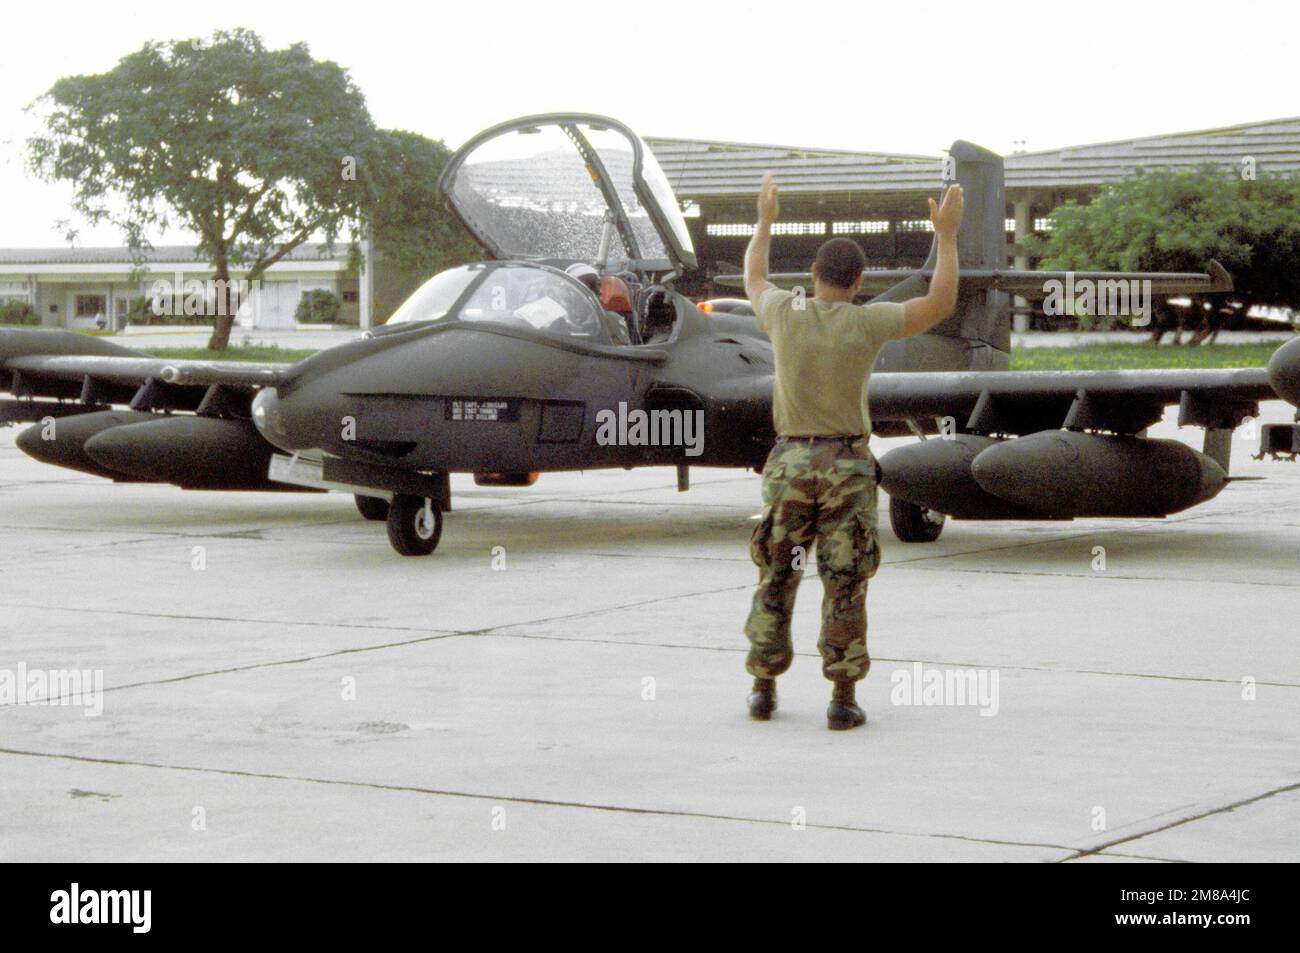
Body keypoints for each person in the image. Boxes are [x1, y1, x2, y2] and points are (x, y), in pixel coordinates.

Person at [741, 172, 963, 730]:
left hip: (790, 463)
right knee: (844, 579)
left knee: (778, 572)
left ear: (813, 275)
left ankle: (763, 688)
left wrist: (766, 220)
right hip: (846, 465)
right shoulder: (868, 323)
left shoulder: (782, 315)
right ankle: (842, 698)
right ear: (860, 280)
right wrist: (949, 236)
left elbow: (753, 275)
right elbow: (941, 300)